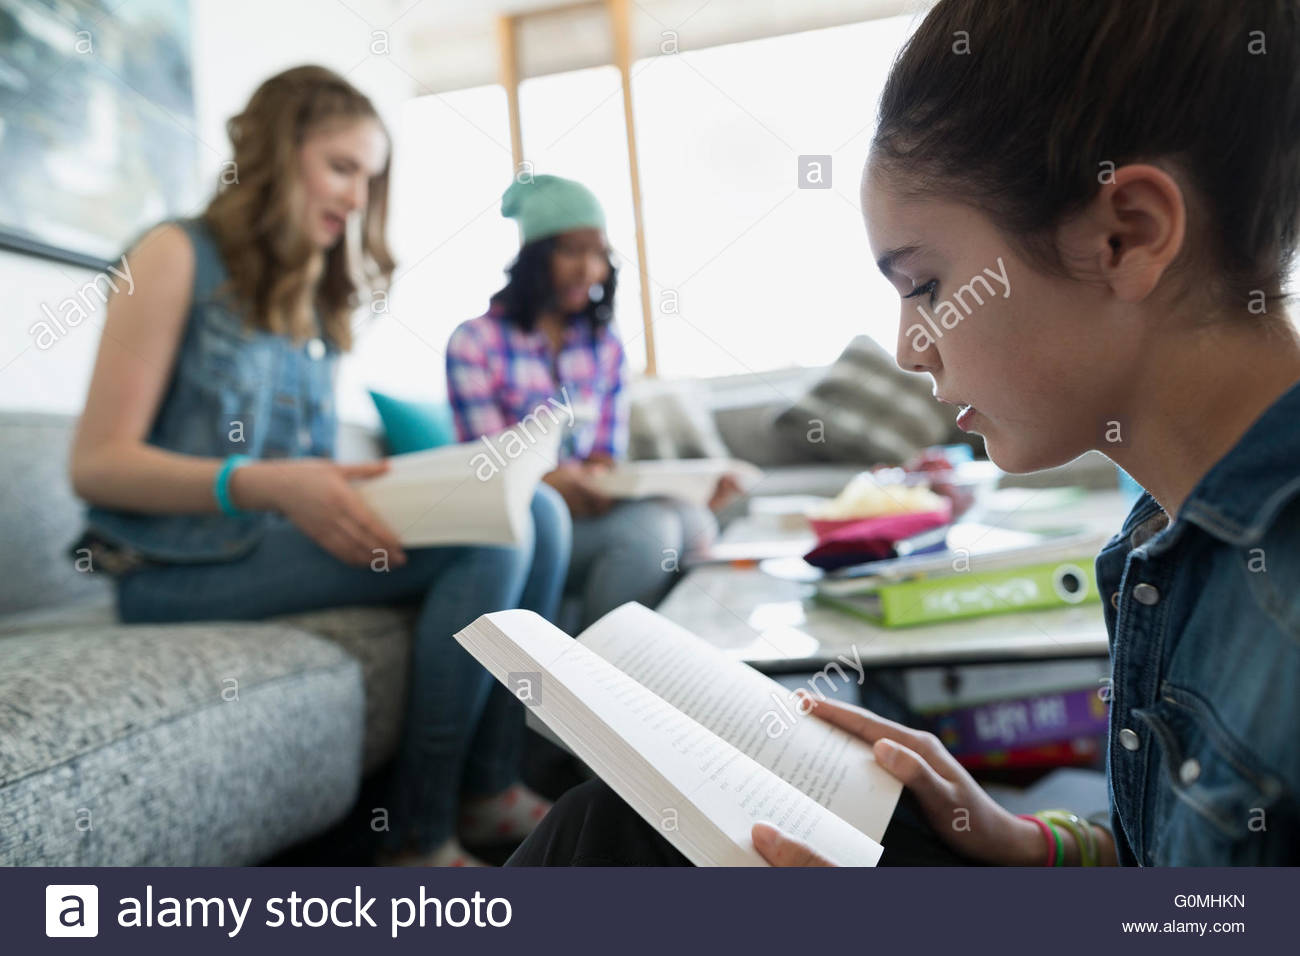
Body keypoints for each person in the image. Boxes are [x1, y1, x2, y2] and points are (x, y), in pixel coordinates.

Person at [507, 0, 1300, 866]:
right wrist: (1029, 846)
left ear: (1126, 235)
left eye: (925, 284)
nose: (908, 346)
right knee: (615, 822)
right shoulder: (1167, 531)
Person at [68, 65, 570, 867]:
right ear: (274, 154)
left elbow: (306, 473)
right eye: (341, 169)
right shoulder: (172, 254)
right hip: (171, 566)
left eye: (369, 180)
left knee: (537, 511)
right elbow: (96, 464)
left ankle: (487, 784)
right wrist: (253, 484)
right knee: (493, 538)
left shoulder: (312, 294)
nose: (355, 199)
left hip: (269, 547)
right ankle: (418, 836)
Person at [445, 175, 734, 631]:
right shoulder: (473, 343)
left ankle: (674, 679)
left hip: (588, 505)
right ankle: (589, 691)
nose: (590, 271)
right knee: (647, 535)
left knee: (693, 520)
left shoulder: (604, 344)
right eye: (572, 252)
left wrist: (620, 479)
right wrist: (559, 482)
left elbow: (605, 453)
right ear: (536, 258)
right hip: (527, 519)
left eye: (599, 253)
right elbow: (493, 469)